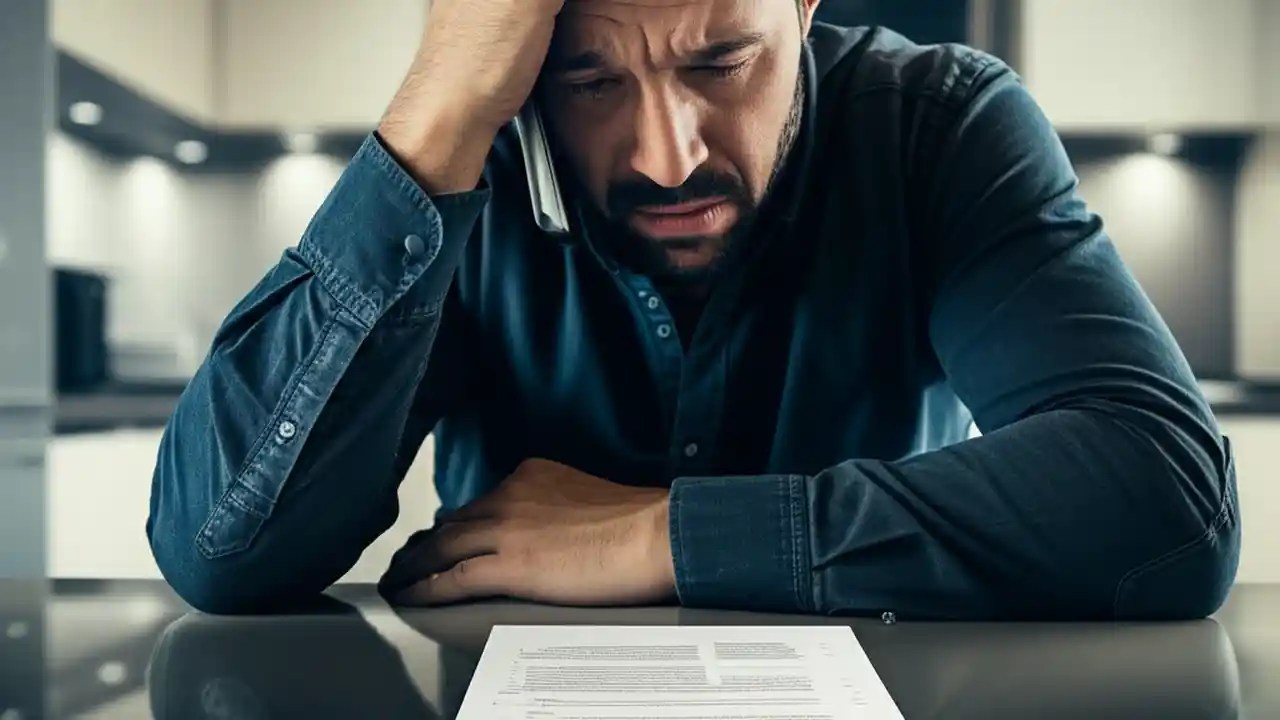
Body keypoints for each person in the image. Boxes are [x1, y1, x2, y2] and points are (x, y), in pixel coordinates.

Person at [146, 0, 1240, 619]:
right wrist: (437, 108)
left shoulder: (936, 128)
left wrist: (662, 534)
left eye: (721, 61)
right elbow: (219, 552)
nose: (667, 158)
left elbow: (1165, 502)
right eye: (588, 83)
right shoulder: (465, 166)